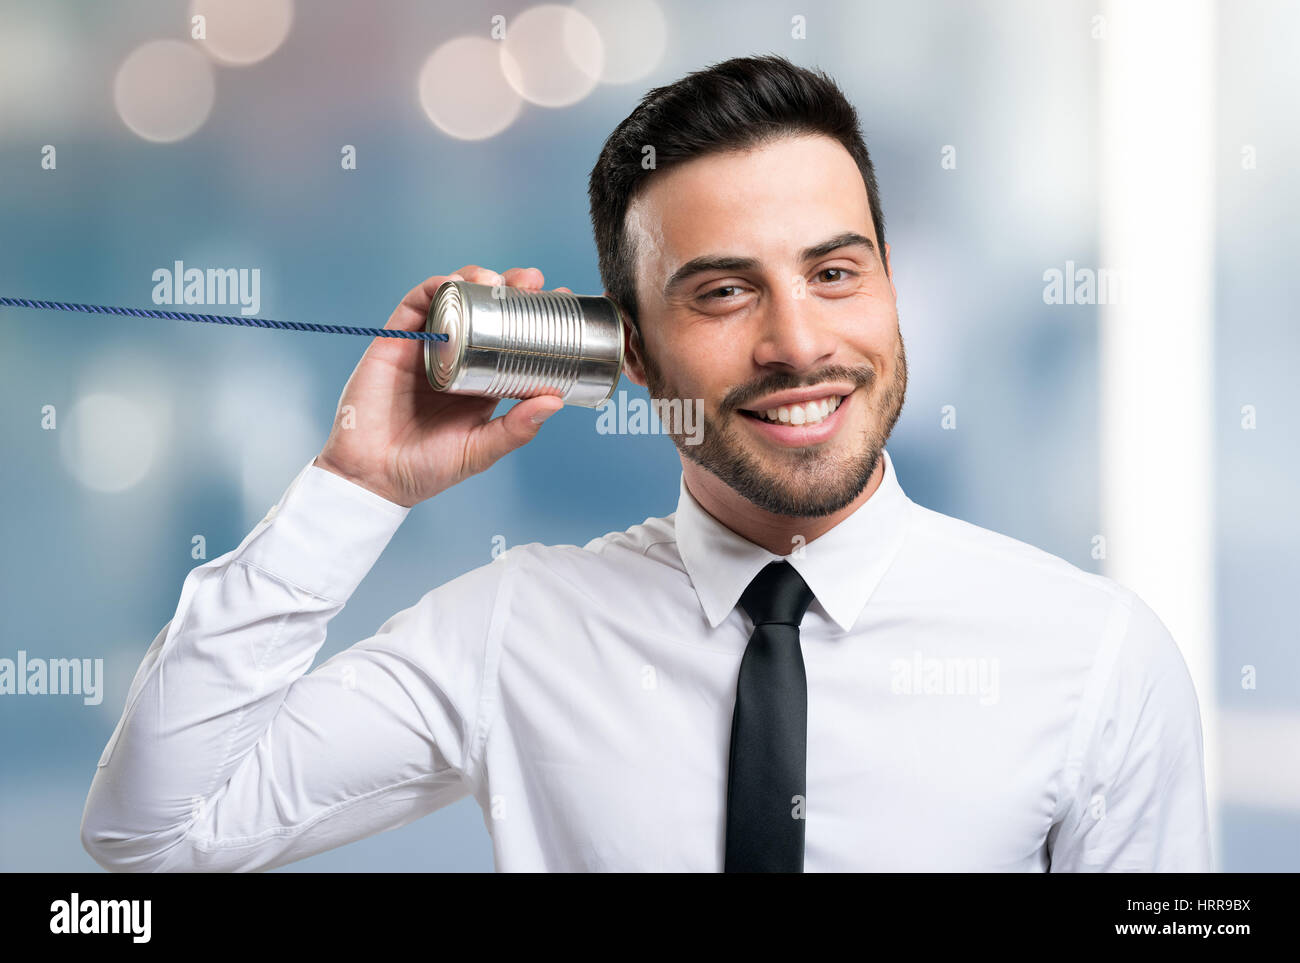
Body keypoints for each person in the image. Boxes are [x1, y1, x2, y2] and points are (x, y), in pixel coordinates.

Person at [80, 54, 1212, 872]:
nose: (799, 343)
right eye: (722, 291)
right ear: (626, 346)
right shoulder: (512, 630)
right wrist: (355, 486)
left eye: (834, 273)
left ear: (891, 291)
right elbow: (149, 841)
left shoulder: (1094, 658)